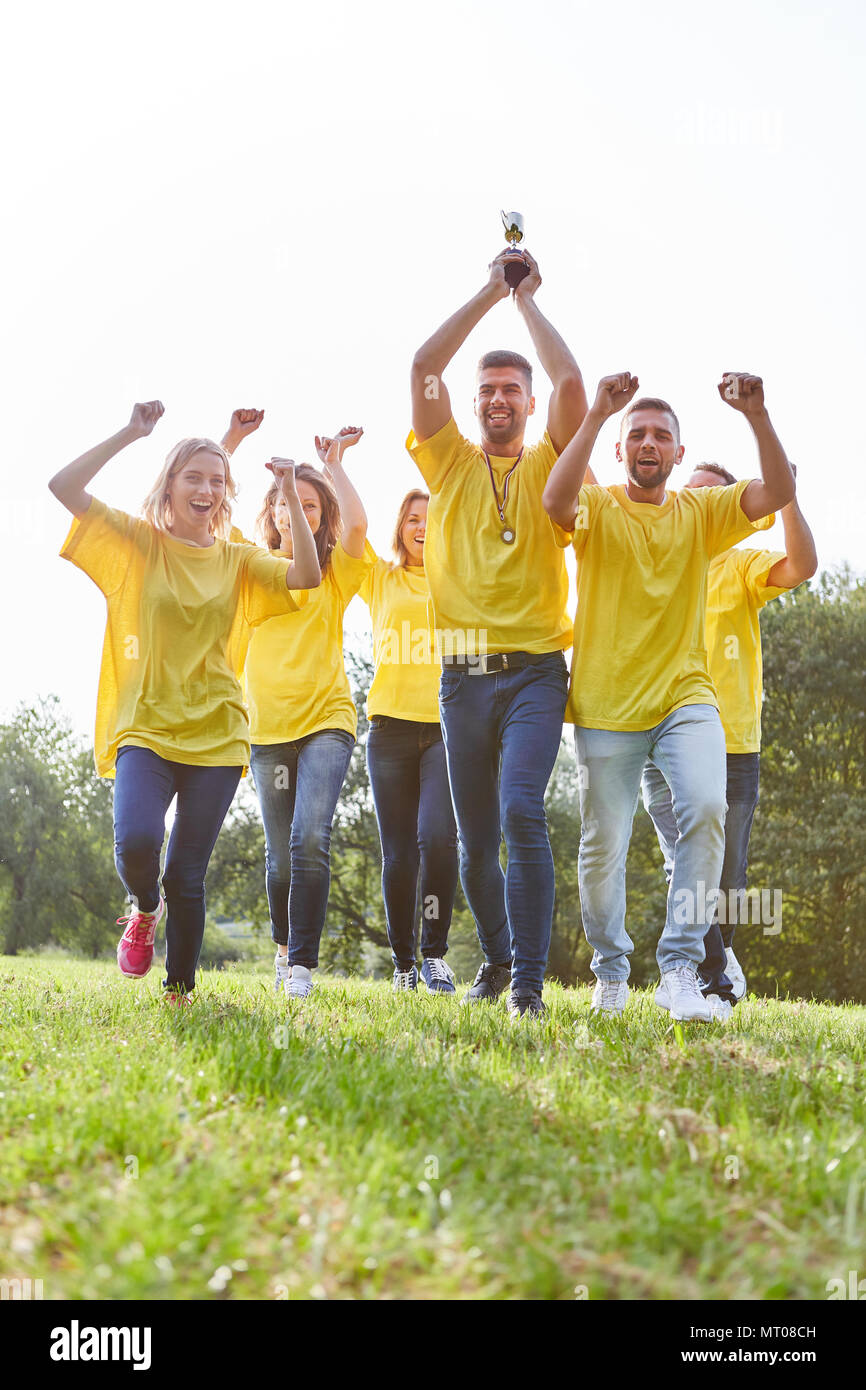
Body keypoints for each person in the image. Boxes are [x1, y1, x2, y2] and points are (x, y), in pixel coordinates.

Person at [542, 371, 796, 1021]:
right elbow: (553, 503)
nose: (649, 443)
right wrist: (597, 415)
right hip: (606, 706)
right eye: (638, 435)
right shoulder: (598, 508)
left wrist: (758, 416)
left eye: (661, 436)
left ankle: (682, 968)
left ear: (680, 454)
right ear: (622, 450)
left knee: (708, 807)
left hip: (687, 697)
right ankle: (611, 970)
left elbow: (779, 491)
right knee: (604, 845)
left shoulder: (701, 513)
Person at [48, 402, 320, 1002]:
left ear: (226, 495)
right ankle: (145, 907)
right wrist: (132, 431)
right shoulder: (138, 544)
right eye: (193, 477)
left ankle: (180, 991)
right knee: (137, 843)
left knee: (188, 873)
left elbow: (306, 574)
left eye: (217, 481)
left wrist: (289, 488)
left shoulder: (239, 560)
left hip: (218, 735)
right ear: (169, 484)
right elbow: (62, 485)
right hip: (145, 727)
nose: (205, 489)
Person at [407, 249, 588, 1018]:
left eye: (512, 389)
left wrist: (527, 302)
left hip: (538, 672)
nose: (497, 400)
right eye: (486, 391)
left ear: (529, 400)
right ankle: (498, 961)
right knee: (474, 843)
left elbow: (575, 387)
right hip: (461, 676)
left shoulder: (553, 459)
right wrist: (488, 289)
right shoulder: (446, 463)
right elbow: (422, 365)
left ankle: (528, 988)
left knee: (522, 811)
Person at [641, 461, 817, 1016]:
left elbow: (802, 567)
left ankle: (715, 961)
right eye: (690, 491)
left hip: (734, 740)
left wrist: (784, 495)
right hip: (664, 732)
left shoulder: (740, 565)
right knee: (682, 855)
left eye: (712, 494)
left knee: (729, 872)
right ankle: (707, 973)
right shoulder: (659, 559)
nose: (698, 502)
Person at [244, 428, 374, 1000]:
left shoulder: (335, 572)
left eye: (308, 502)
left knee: (308, 839)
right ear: (268, 511)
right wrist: (228, 439)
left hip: (326, 721)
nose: (293, 507)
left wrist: (332, 465)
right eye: (282, 499)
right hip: (267, 730)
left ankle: (300, 965)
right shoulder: (249, 568)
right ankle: (281, 948)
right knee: (278, 861)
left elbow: (362, 528)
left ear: (321, 516)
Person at [359, 489, 459, 992]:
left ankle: (434, 953)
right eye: (413, 519)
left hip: (447, 729)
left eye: (432, 520)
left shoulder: (460, 580)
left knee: (439, 839)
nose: (422, 527)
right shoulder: (380, 577)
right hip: (389, 731)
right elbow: (351, 530)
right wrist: (335, 465)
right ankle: (403, 964)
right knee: (399, 853)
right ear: (400, 526)